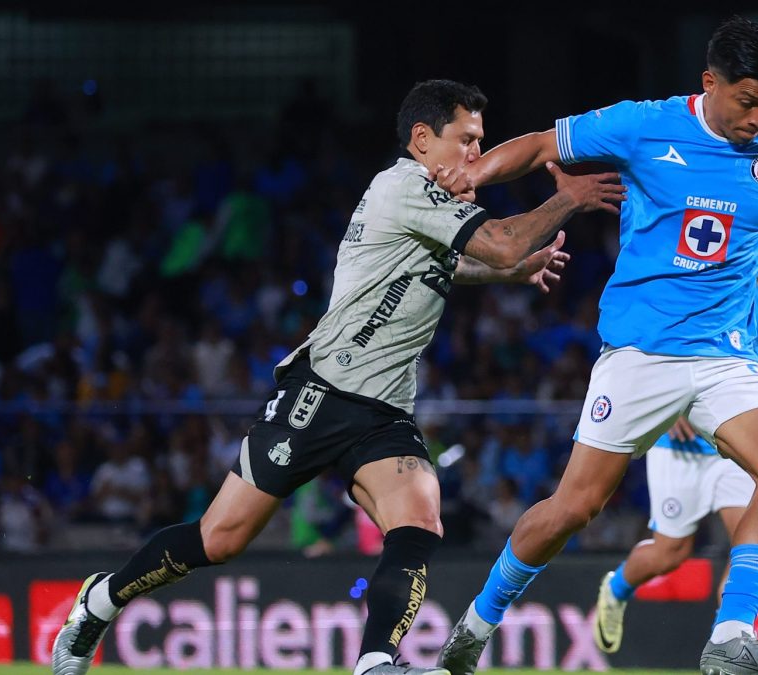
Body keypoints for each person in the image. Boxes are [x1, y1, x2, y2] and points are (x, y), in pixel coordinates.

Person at [51, 79, 625, 675]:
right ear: (422, 139)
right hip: (322, 393)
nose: (478, 155)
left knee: (420, 515)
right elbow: (502, 244)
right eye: (468, 140)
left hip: (382, 413)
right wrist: (568, 200)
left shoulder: (426, 199)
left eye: (481, 142)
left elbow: (442, 267)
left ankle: (376, 662)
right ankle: (99, 600)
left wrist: (506, 276)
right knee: (218, 540)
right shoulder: (403, 186)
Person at [432, 17, 758, 675]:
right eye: (747, 101)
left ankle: (731, 637)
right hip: (640, 355)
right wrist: (473, 173)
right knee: (575, 508)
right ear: (710, 82)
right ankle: (477, 623)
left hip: (727, 357)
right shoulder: (643, 124)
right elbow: (537, 145)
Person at [592, 212, 758, 655]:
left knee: (747, 530)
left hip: (734, 437)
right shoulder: (713, 268)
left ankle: (726, 640)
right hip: (680, 443)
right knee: (672, 552)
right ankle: (617, 589)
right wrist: (675, 406)